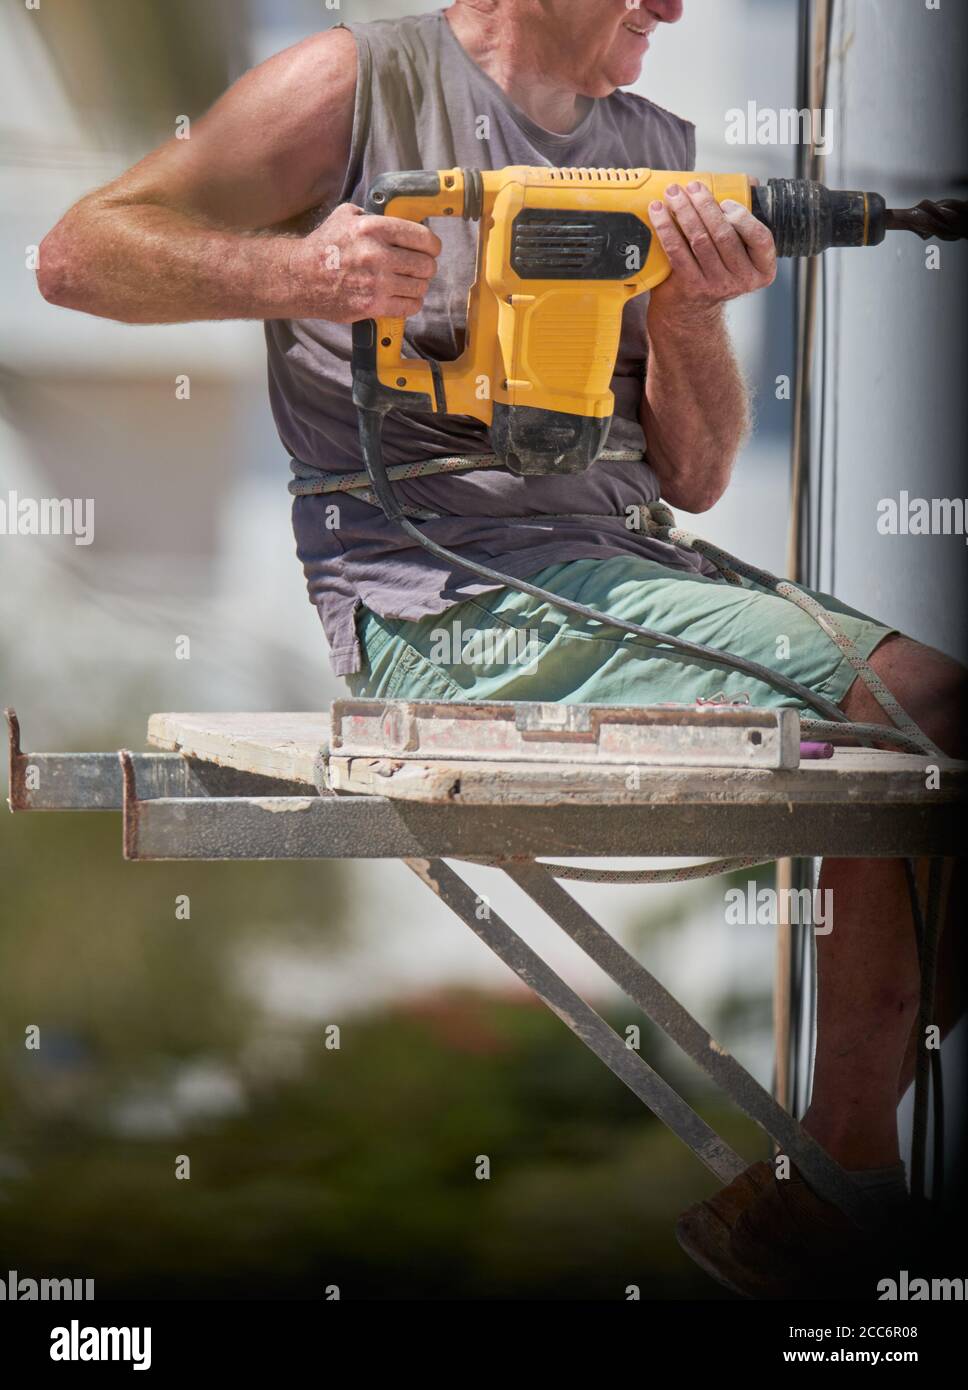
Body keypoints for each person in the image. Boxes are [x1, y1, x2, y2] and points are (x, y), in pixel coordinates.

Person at [36, 0, 965, 1296]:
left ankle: (830, 1178)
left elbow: (693, 475)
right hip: (445, 610)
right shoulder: (359, 86)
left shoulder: (651, 145)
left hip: (630, 567)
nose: (672, 9)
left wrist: (691, 310)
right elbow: (77, 256)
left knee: (933, 719)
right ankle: (839, 1173)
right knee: (928, 708)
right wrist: (303, 274)